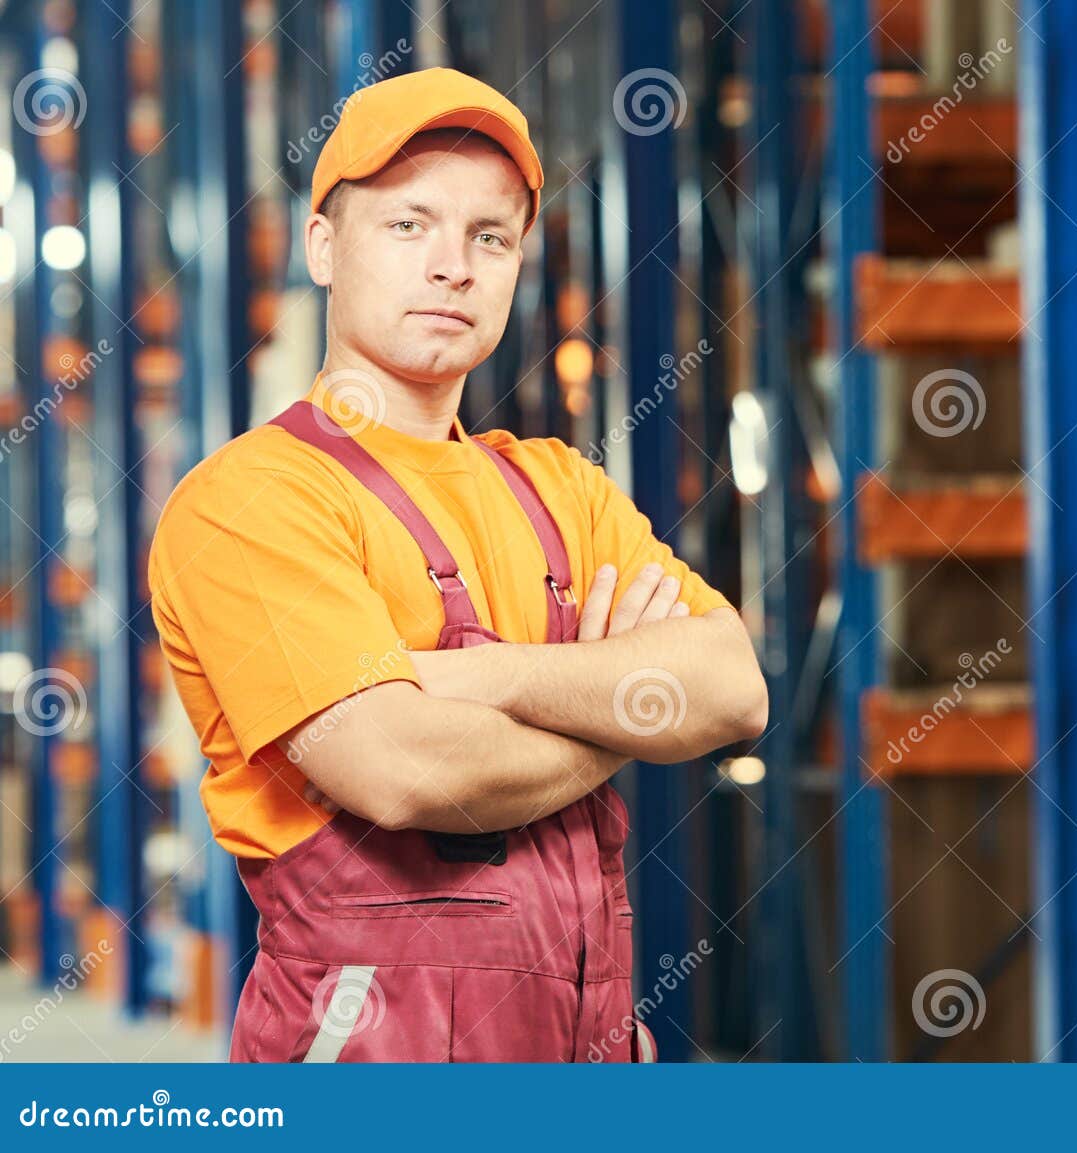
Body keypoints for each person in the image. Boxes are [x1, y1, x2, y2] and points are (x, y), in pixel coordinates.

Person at [147, 67, 767, 1063]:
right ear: (322, 247)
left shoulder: (561, 489)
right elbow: (399, 768)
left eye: (490, 237)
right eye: (409, 225)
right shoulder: (255, 499)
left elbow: (733, 687)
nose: (453, 267)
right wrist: (618, 718)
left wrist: (490, 678)